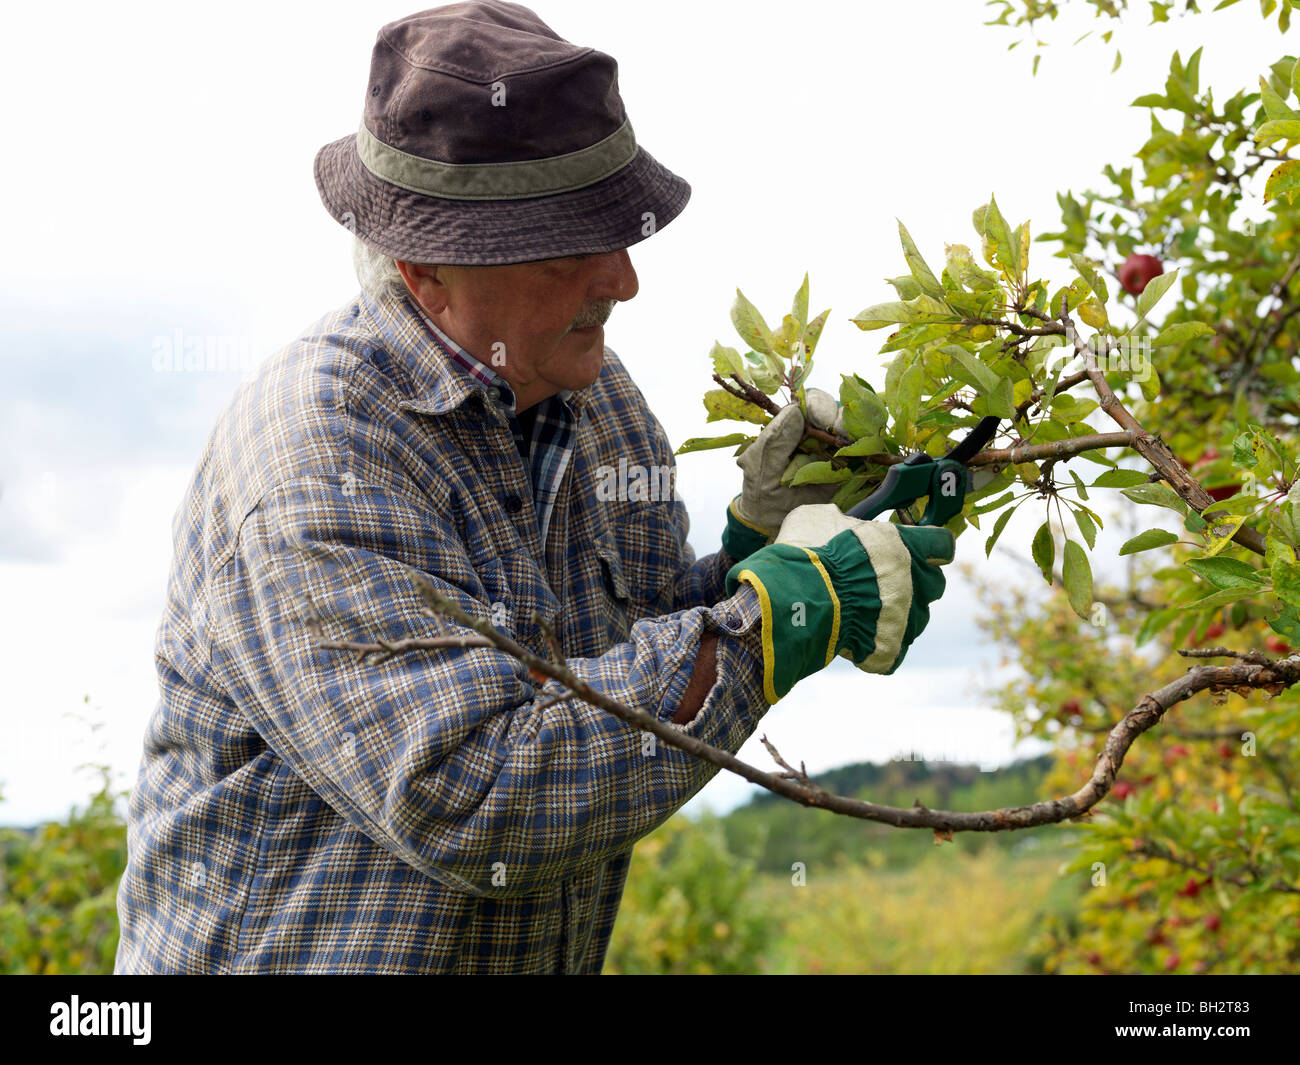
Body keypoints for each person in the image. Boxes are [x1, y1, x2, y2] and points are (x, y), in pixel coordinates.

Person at [114, 0, 954, 974]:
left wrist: (761, 547)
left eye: (619, 230)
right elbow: (473, 797)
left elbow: (626, 669)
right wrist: (775, 624)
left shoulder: (597, 402)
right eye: (568, 249)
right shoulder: (318, 451)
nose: (625, 279)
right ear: (426, 270)